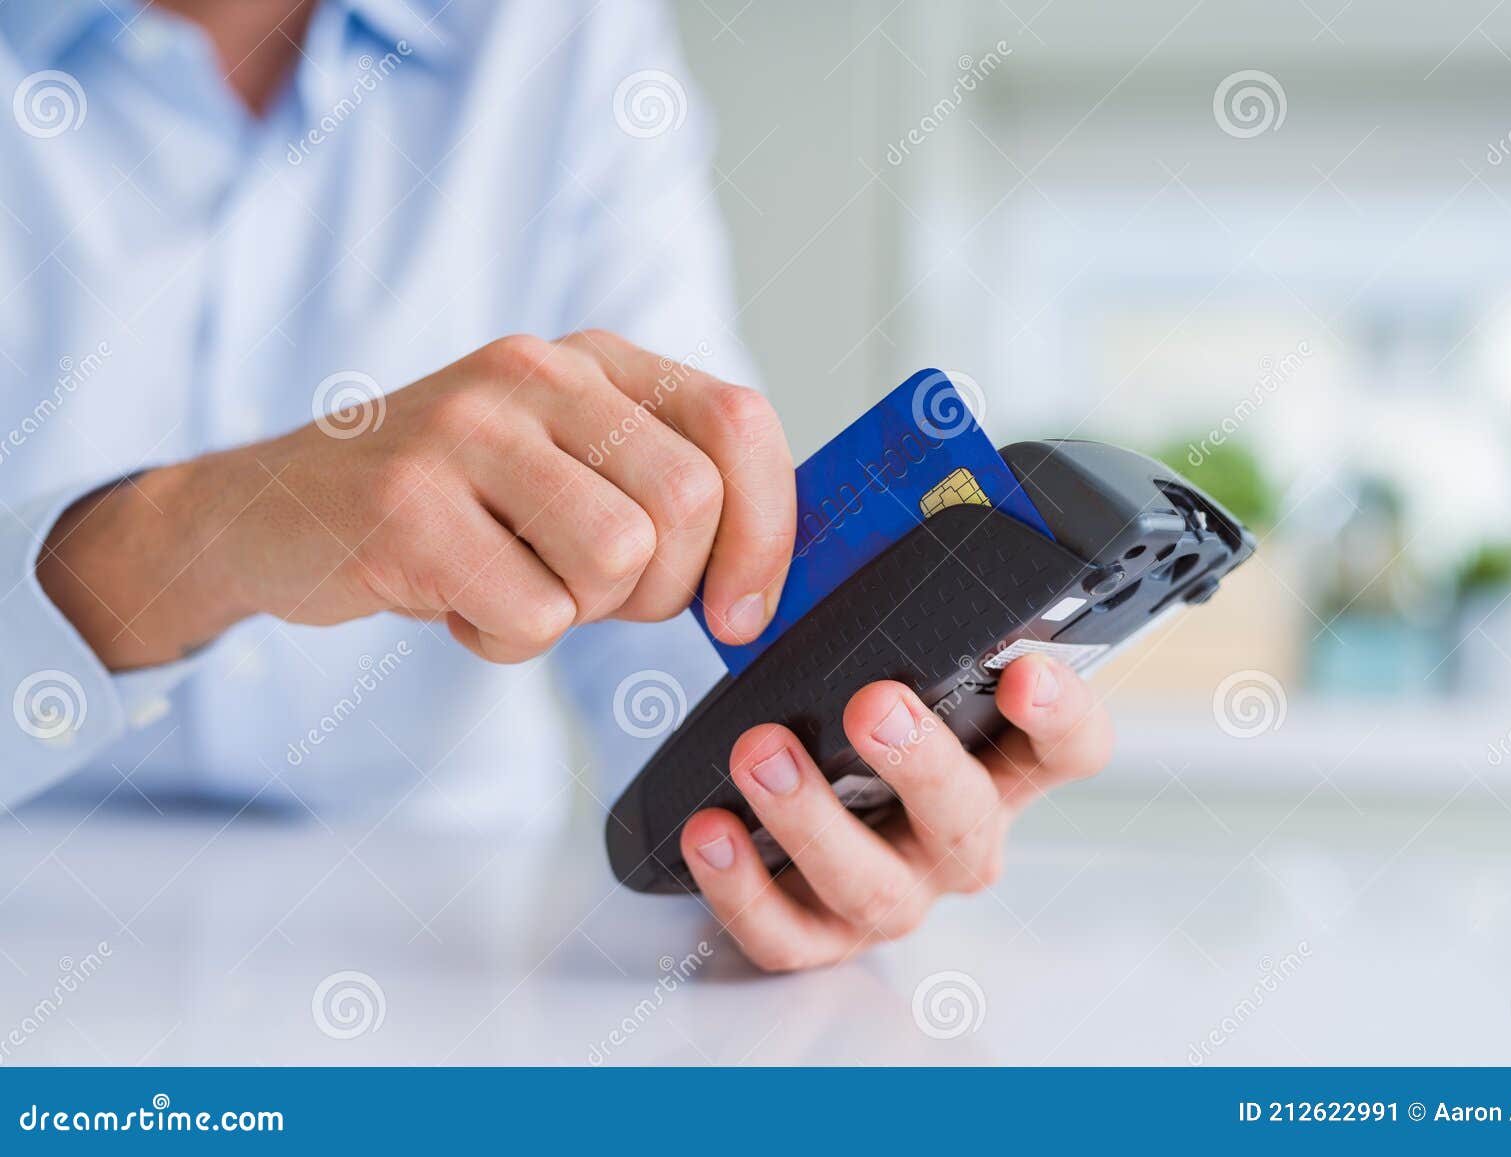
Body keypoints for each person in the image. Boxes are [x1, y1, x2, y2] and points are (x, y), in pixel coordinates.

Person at [0, 0, 1112, 972]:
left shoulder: (561, 37)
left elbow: (682, 606)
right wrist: (190, 535)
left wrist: (799, 818)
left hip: (449, 955)